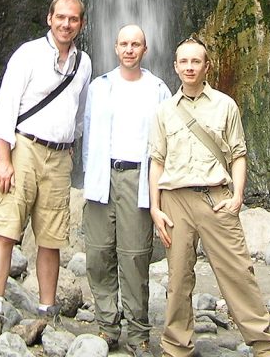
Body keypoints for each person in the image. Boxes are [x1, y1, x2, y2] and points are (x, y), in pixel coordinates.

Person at [148, 37, 270, 357]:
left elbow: (238, 155)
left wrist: (237, 197)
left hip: (216, 197)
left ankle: (263, 344)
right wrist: (155, 207)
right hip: (175, 200)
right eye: (184, 62)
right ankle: (176, 345)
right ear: (175, 66)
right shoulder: (164, 111)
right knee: (178, 276)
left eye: (196, 61)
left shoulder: (225, 105)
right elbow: (157, 160)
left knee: (237, 270)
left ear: (207, 66)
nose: (190, 67)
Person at [0, 0, 93, 344]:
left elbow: (80, 109)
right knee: (5, 230)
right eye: (60, 17)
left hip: (59, 156)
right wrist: (4, 157)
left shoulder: (83, 63)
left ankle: (47, 311)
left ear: (81, 24)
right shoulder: (27, 54)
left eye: (73, 19)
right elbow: (5, 105)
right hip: (23, 148)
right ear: (49, 19)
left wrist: (72, 144)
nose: (66, 24)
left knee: (52, 237)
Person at [82, 25, 171, 357]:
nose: (130, 49)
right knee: (98, 252)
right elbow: (89, 132)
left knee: (134, 258)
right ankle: (107, 325)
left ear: (145, 50)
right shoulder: (99, 87)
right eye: (124, 44)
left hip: (138, 176)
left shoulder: (158, 89)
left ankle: (138, 332)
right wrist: (90, 175)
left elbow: (164, 141)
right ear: (115, 48)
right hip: (103, 175)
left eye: (136, 44)